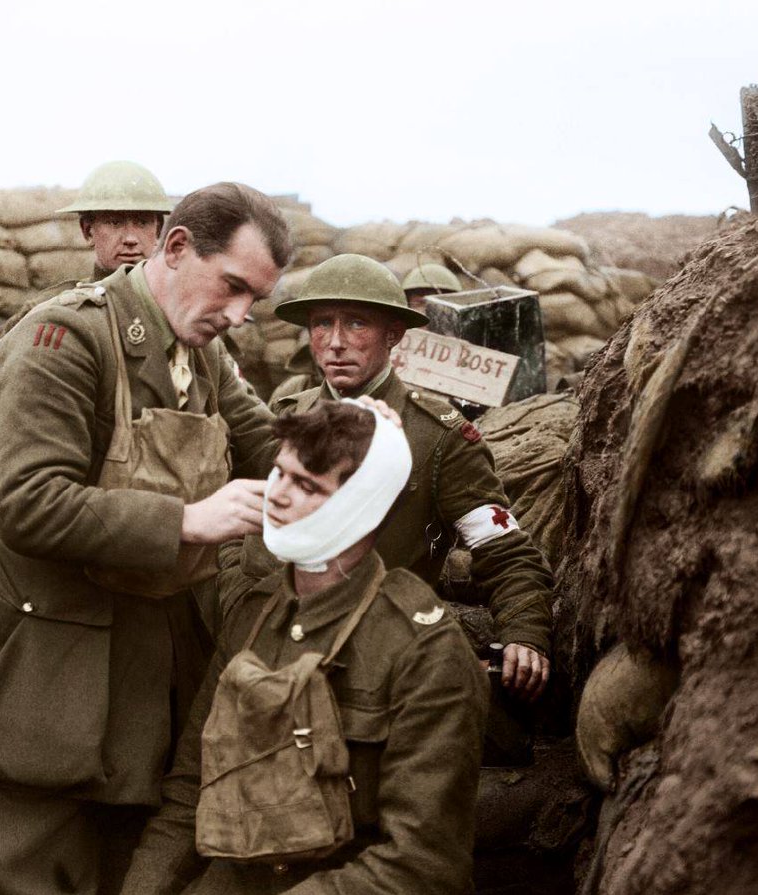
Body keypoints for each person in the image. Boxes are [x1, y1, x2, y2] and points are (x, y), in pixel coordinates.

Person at [0, 182, 294, 895]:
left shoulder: (203, 353)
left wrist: (354, 434)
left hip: (141, 701)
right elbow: (25, 503)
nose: (240, 313)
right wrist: (185, 520)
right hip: (35, 696)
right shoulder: (64, 338)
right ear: (176, 249)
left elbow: (270, 447)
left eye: (256, 299)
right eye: (233, 286)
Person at [80, 401, 488, 895]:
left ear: (362, 505)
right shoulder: (256, 617)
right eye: (279, 472)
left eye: (307, 486)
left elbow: (420, 869)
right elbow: (192, 787)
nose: (277, 494)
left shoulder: (423, 649)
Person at [226, 253, 554, 701]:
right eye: (322, 324)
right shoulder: (286, 417)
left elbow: (504, 549)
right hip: (269, 644)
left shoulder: (437, 436)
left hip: (376, 660)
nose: (335, 342)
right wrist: (237, 603)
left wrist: (525, 634)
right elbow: (239, 526)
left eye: (356, 323)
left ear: (393, 335)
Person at [0, 160, 172, 465]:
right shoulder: (52, 311)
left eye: (142, 222)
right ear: (87, 230)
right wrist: (24, 468)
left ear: (158, 230)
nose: (131, 237)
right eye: (115, 222)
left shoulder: (182, 316)